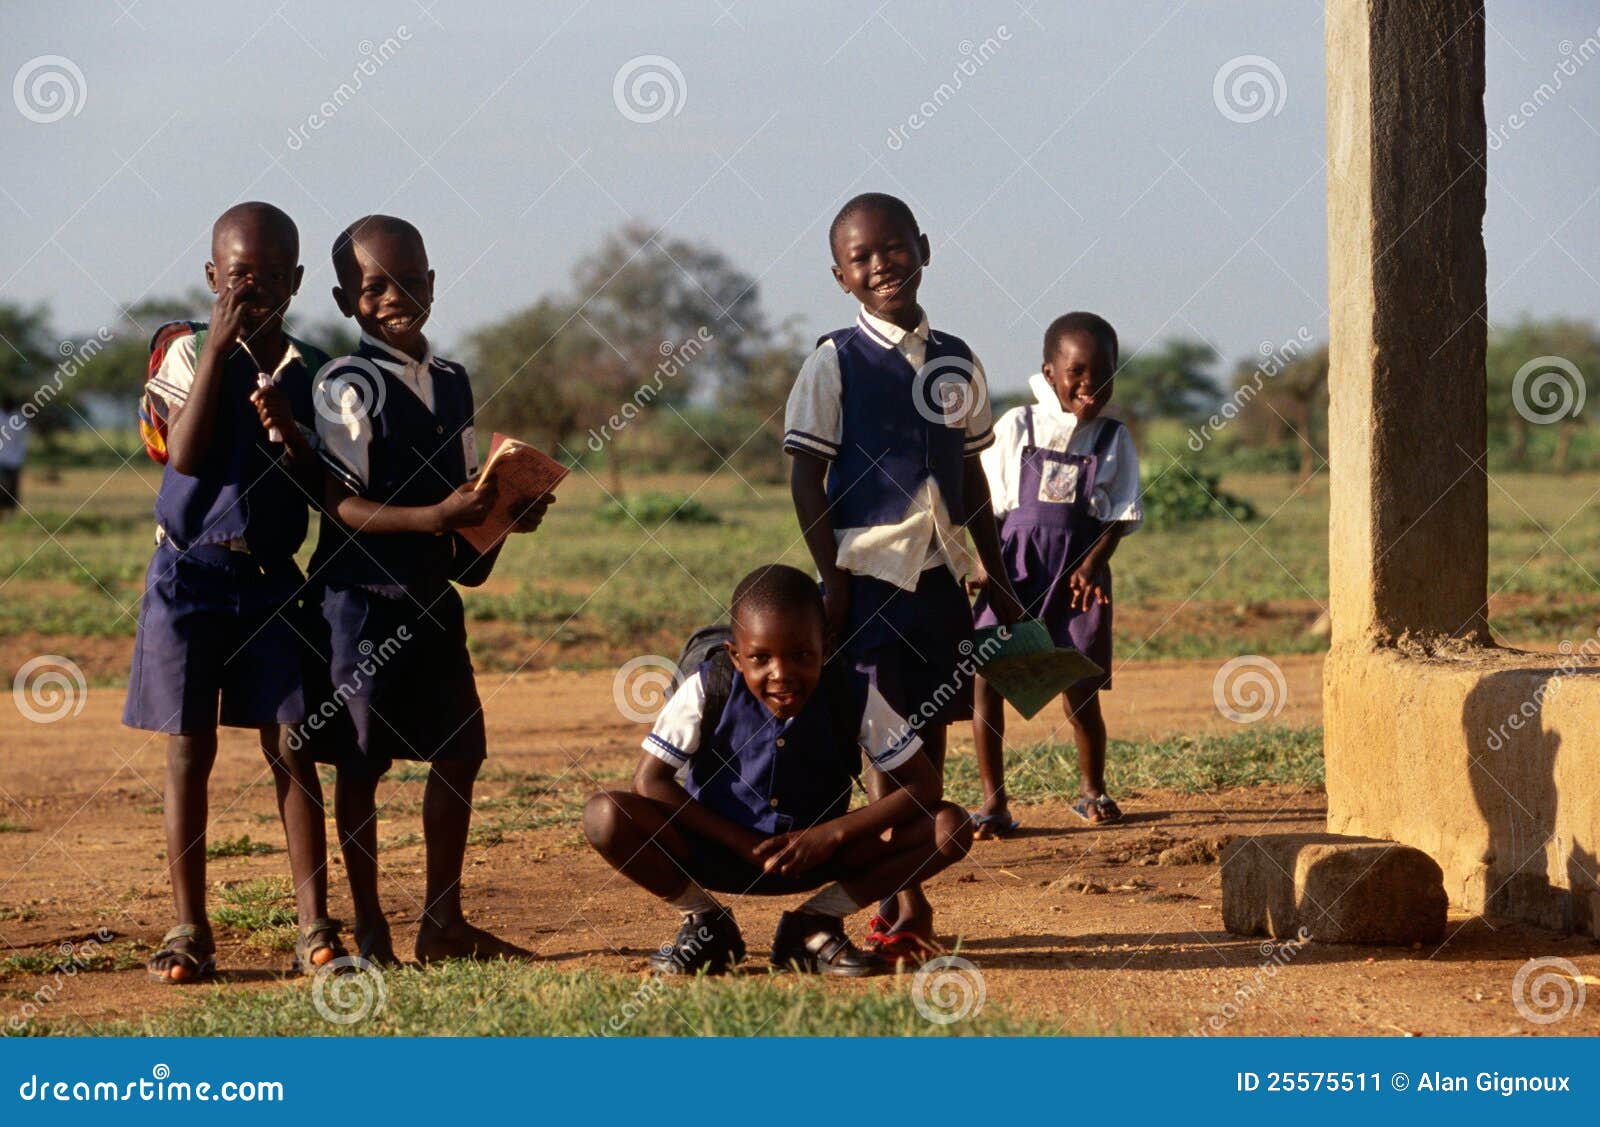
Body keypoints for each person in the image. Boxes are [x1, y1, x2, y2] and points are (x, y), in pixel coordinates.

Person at [783, 192, 1022, 962]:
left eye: (894, 246)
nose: (882, 263)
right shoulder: (833, 361)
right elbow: (804, 478)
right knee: (884, 739)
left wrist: (992, 570)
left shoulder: (957, 358)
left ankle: (909, 874)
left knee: (931, 735)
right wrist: (832, 575)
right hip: (870, 575)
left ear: (923, 246)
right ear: (840, 276)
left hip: (942, 579)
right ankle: (898, 894)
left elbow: (975, 472)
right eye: (862, 257)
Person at [307, 214, 552, 965]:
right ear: (347, 299)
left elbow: (464, 513)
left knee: (460, 749)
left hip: (428, 601)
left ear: (434, 286)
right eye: (374, 285)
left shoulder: (452, 382)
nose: (396, 297)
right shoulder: (345, 383)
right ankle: (370, 925)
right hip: (358, 601)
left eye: (411, 281)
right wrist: (440, 514)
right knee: (359, 762)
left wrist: (505, 513)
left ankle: (442, 921)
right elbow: (338, 504)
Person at [123, 202, 342, 983]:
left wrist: (292, 433)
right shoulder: (181, 353)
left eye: (275, 278)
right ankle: (190, 927)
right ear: (213, 277)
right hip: (188, 574)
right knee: (189, 748)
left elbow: (327, 488)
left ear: (298, 282)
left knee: (292, 742)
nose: (256, 291)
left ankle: (315, 925)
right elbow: (181, 456)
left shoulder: (313, 371)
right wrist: (219, 347)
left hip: (270, 579)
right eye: (241, 276)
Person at [583, 564, 974, 977]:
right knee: (605, 815)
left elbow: (923, 782)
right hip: (716, 852)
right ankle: (705, 923)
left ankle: (815, 924)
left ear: (826, 645)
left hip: (817, 857)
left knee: (949, 827)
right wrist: (742, 842)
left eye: (802, 656)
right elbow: (649, 779)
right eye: (760, 658)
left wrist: (832, 834)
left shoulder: (852, 692)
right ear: (736, 656)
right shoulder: (706, 687)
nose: (781, 674)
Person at [971, 312, 1142, 831]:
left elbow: (1120, 513)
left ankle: (1093, 791)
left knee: (1079, 684)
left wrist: (1093, 565)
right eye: (1078, 371)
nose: (1091, 384)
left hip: (1076, 579)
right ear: (1050, 373)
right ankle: (995, 802)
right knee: (987, 682)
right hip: (1013, 571)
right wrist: (984, 569)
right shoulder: (1016, 425)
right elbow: (987, 506)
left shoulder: (1113, 438)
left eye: (1104, 373)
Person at [0, 395, 25, 518]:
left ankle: (11, 514)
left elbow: (21, 440)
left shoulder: (19, 418)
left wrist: (20, 456)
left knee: (12, 488)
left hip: (15, 459)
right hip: (1, 459)